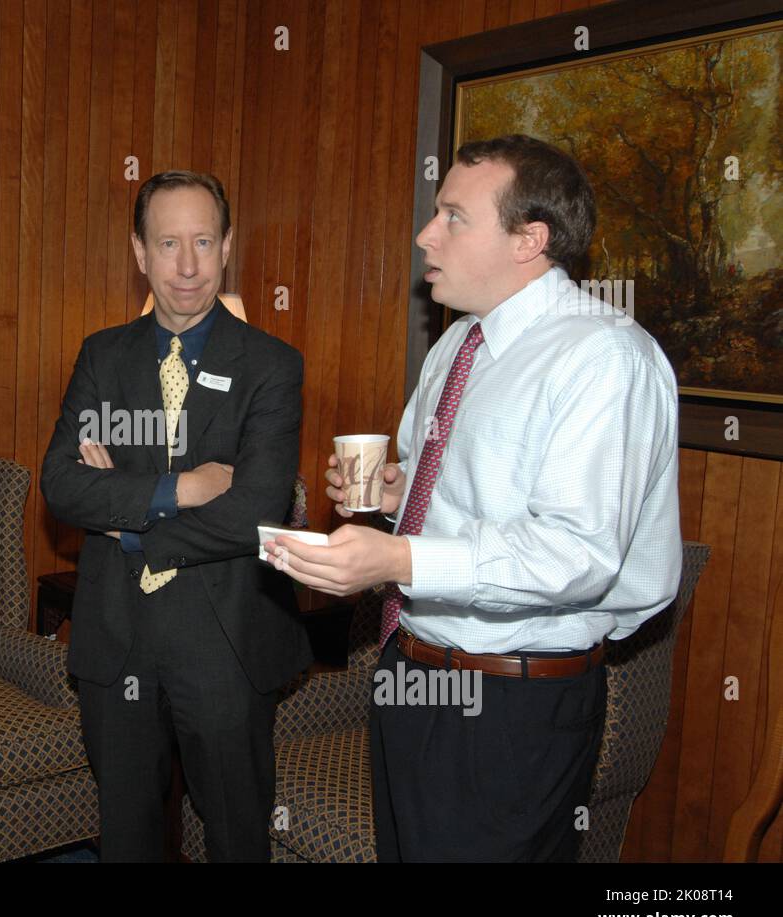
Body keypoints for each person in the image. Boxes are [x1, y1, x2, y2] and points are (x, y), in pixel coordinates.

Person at [265, 135, 682, 861]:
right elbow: (458, 502)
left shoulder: (604, 358)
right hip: (411, 668)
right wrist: (396, 497)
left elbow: (576, 554)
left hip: (511, 704)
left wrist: (398, 554)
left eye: (453, 216)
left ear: (530, 239)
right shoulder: (456, 345)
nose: (426, 233)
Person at [41, 170, 310, 862]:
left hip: (223, 636)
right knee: (126, 838)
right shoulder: (103, 356)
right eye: (167, 243)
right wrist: (182, 488)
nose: (187, 266)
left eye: (202, 241)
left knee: (235, 835)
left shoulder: (272, 366)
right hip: (116, 633)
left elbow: (257, 512)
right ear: (139, 251)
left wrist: (127, 517)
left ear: (226, 246)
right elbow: (61, 486)